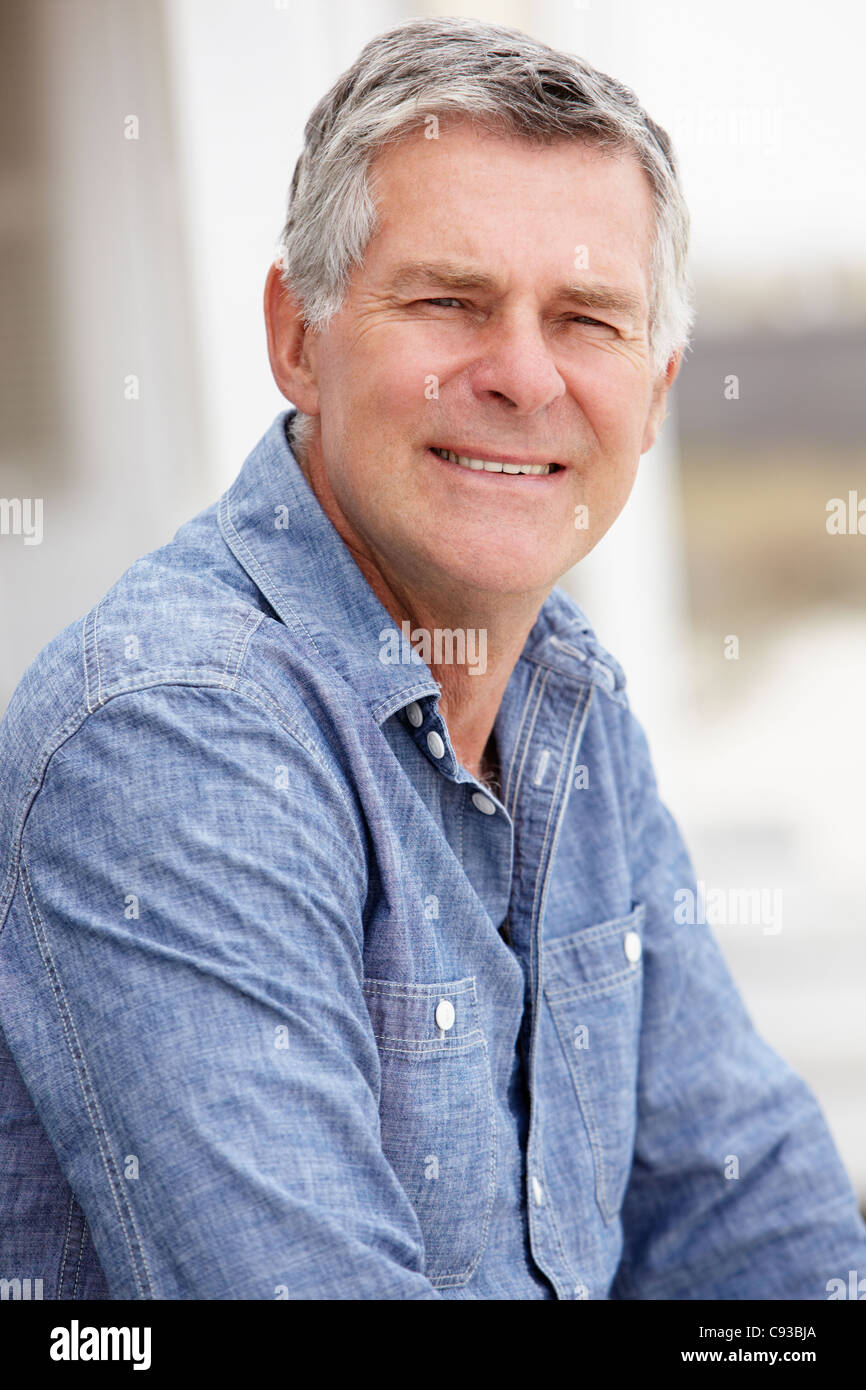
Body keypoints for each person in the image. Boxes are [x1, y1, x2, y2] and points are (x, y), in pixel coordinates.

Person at [1, 16, 863, 1301]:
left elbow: (755, 1232)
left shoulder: (568, 702)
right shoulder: (169, 731)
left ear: (658, 384)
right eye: (448, 301)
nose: (521, 374)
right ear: (297, 334)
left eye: (586, 319)